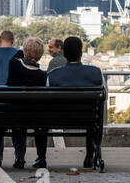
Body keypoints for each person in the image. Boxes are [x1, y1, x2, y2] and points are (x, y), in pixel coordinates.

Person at [39, 35, 105, 168]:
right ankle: (90, 156)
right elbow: (104, 96)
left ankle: (41, 158)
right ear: (81, 54)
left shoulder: (53, 75)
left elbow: (46, 99)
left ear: (65, 54)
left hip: (57, 119)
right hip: (89, 118)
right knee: (92, 124)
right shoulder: (96, 72)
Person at [0, 37, 46, 169]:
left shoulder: (14, 65)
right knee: (20, 126)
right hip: (30, 115)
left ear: (25, 52)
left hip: (11, 110)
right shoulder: (42, 75)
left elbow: (18, 54)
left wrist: (27, 50)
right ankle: (20, 157)